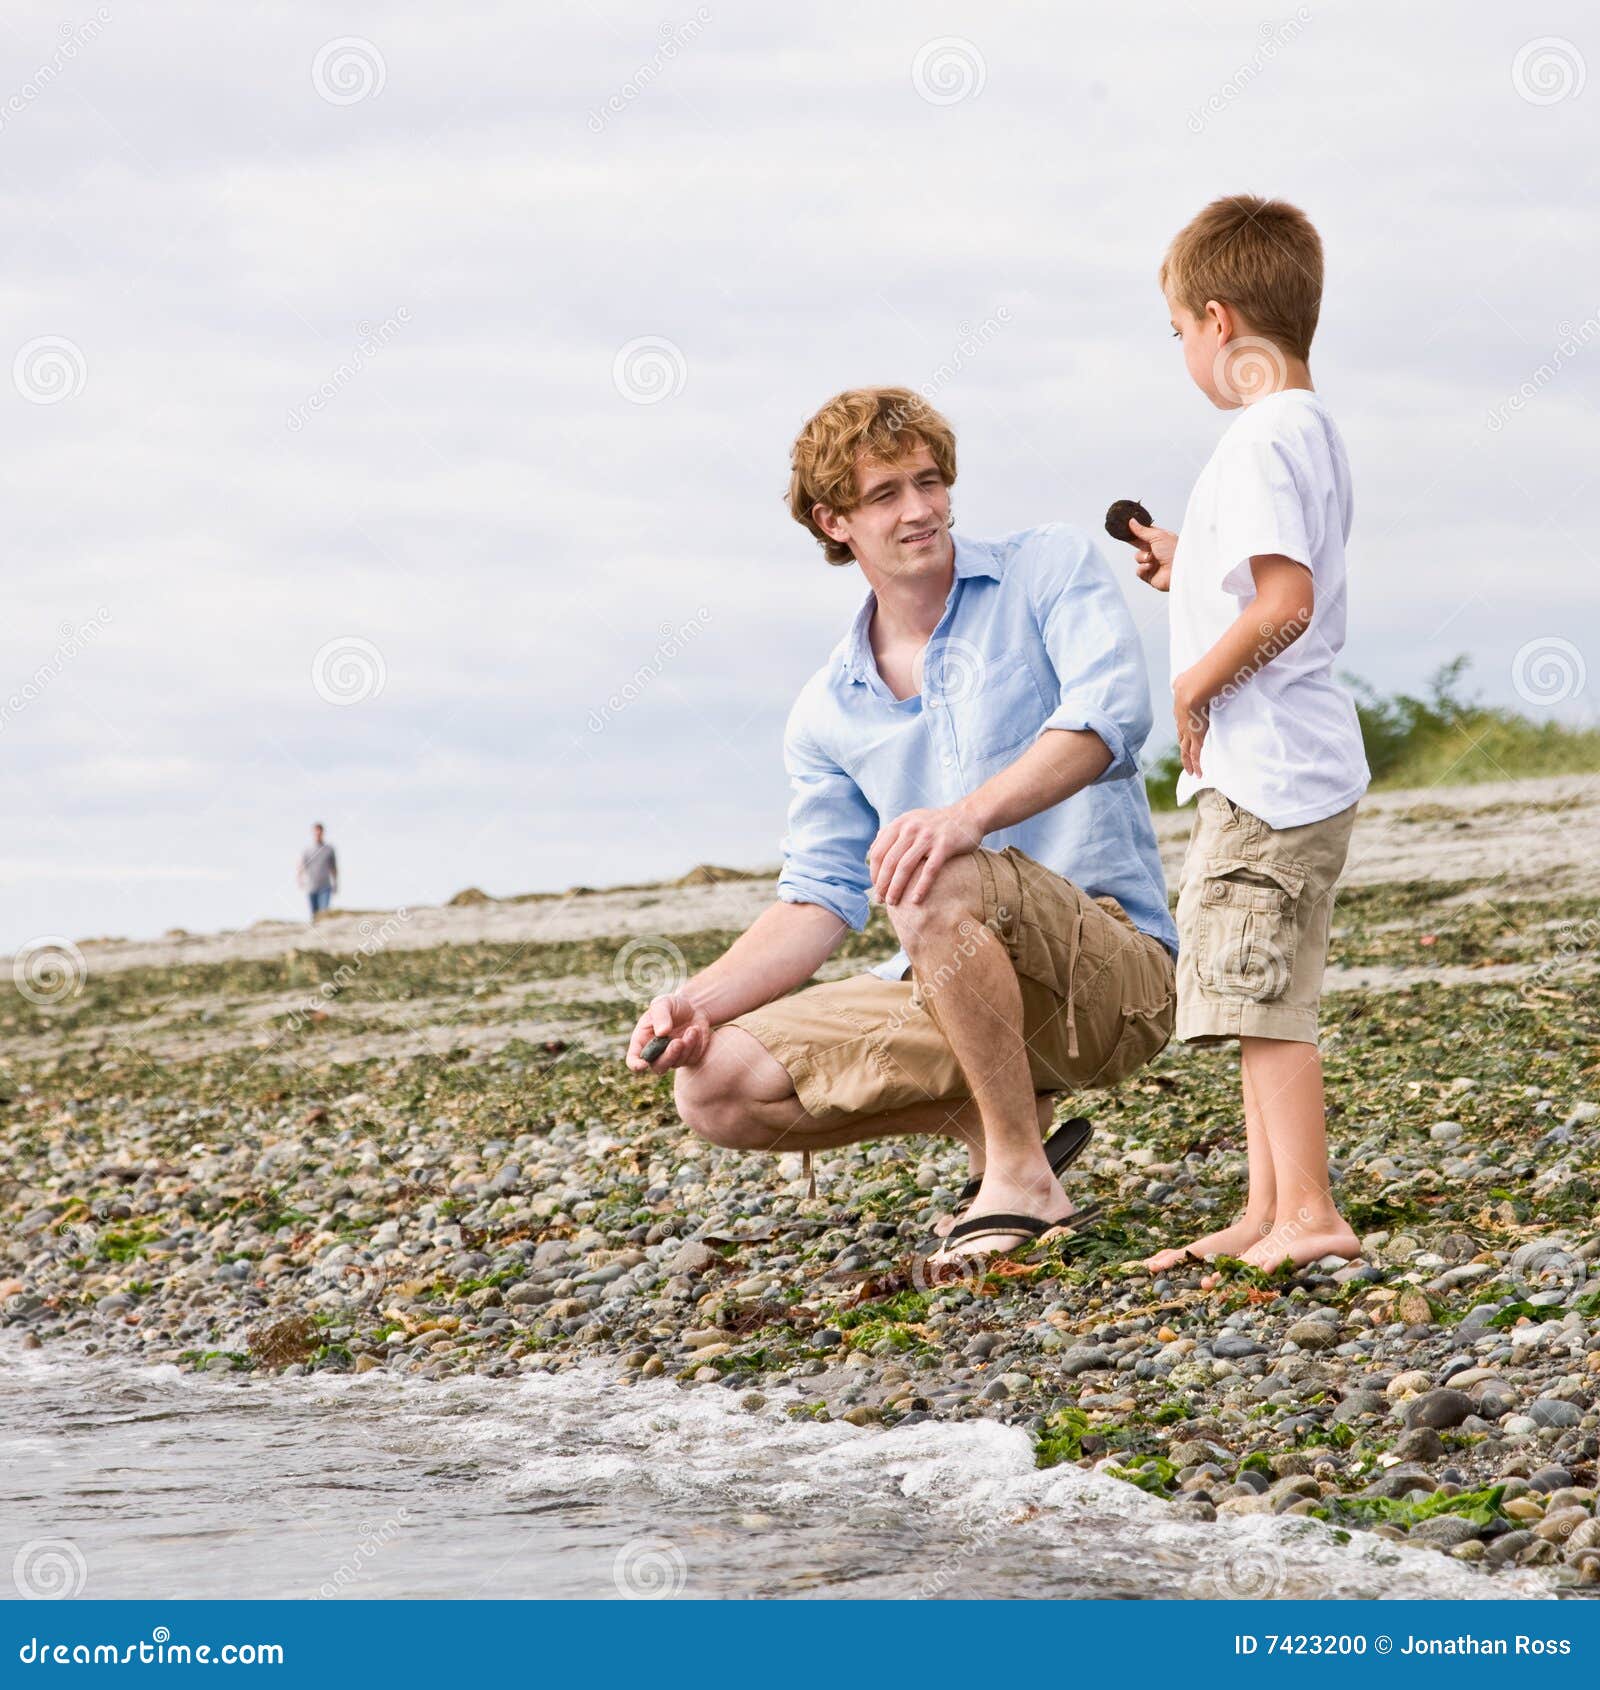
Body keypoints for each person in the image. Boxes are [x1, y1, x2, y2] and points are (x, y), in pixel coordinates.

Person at [626, 387, 1177, 1261]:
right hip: (950, 987)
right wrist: (697, 1003)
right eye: (884, 494)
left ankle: (1021, 1179)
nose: (919, 510)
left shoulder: (1046, 567)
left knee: (930, 868)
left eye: (929, 482)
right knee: (714, 1089)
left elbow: (1111, 719)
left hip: (1112, 978)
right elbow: (818, 898)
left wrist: (965, 819)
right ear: (833, 520)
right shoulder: (827, 709)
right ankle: (1000, 1125)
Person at [1129, 195, 1371, 1275]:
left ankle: (1308, 1210)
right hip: (1294, 763)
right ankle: (1267, 1206)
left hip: (1267, 773)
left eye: (1179, 329)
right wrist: (1190, 562)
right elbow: (1265, 575)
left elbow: (1284, 603)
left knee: (1262, 1002)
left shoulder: (1262, 438)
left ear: (1219, 322)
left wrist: (1192, 685)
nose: (1183, 348)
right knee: (1255, 989)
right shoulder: (1302, 429)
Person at [296, 822, 338, 922]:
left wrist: (335, 882)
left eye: (320, 831)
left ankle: (324, 930)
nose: (318, 833)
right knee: (314, 915)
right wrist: (299, 879)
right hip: (311, 886)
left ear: (323, 832)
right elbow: (301, 865)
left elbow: (333, 867)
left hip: (325, 886)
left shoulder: (329, 849)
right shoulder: (307, 850)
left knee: (324, 913)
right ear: (313, 833)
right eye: (316, 831)